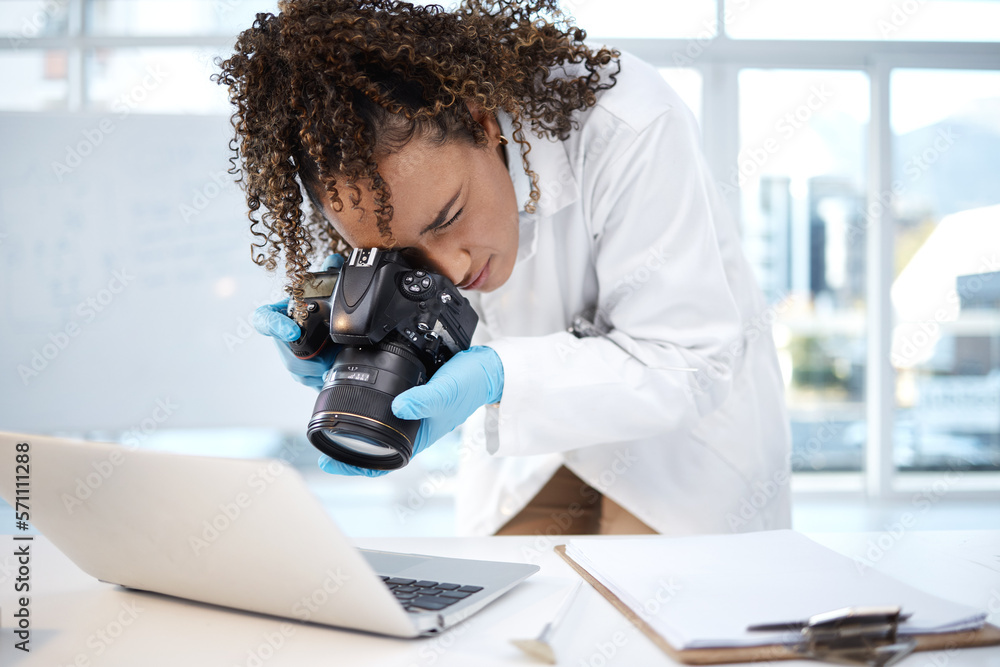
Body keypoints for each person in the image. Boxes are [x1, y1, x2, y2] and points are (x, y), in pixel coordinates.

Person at [218, 0, 792, 537]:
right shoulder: (378, 194)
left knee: (651, 624)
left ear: (481, 122)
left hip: (678, 449)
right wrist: (346, 328)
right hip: (529, 457)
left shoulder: (629, 120)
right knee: (500, 626)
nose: (452, 266)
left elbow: (687, 358)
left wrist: (499, 375)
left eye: (447, 217)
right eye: (407, 256)